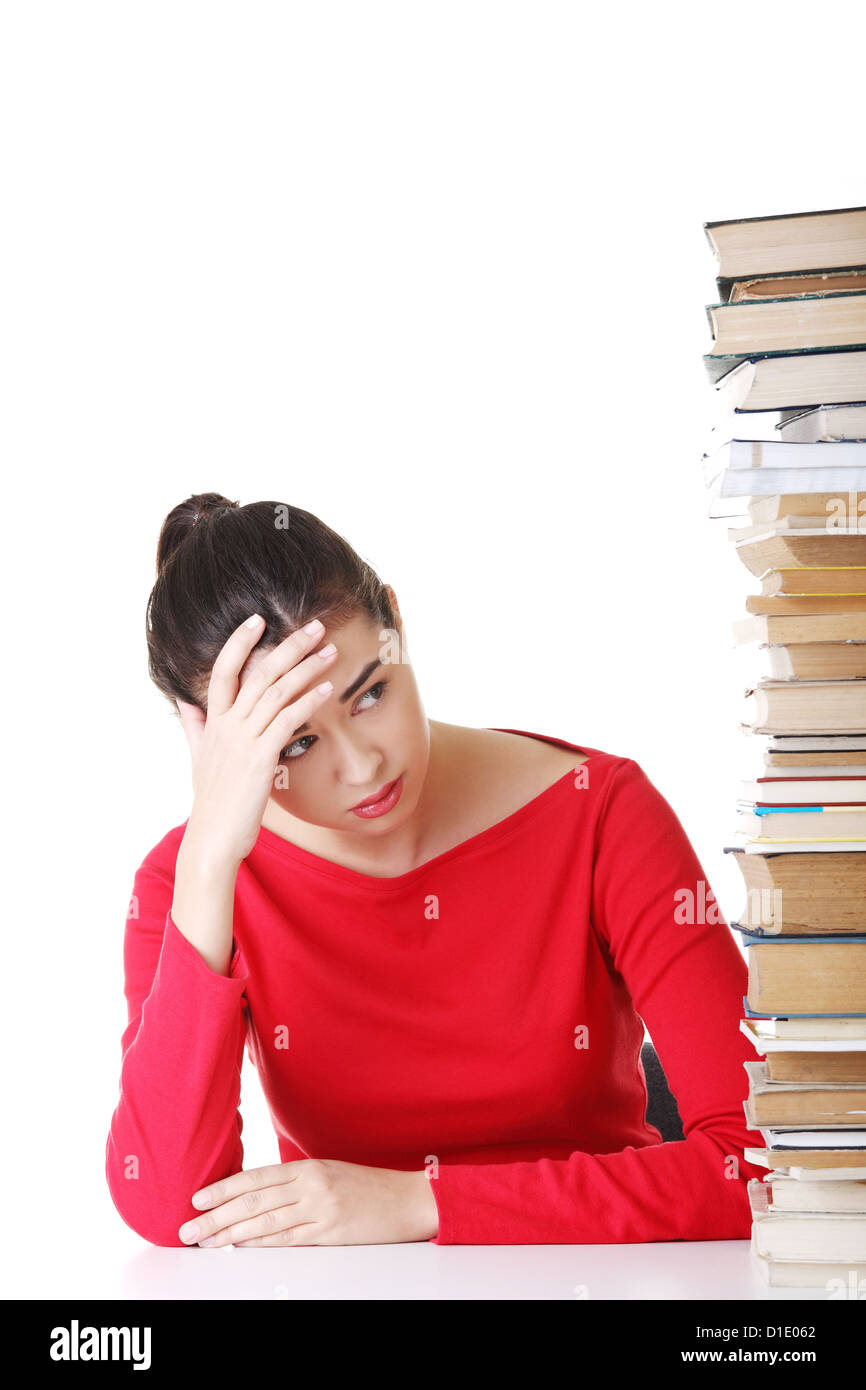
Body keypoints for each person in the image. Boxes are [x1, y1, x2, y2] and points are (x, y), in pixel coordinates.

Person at [105, 492, 766, 1248]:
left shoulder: (602, 812)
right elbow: (167, 1210)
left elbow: (757, 1170)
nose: (362, 768)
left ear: (395, 622)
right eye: (294, 744)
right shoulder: (191, 886)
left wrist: (424, 1203)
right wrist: (210, 858)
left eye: (371, 694)